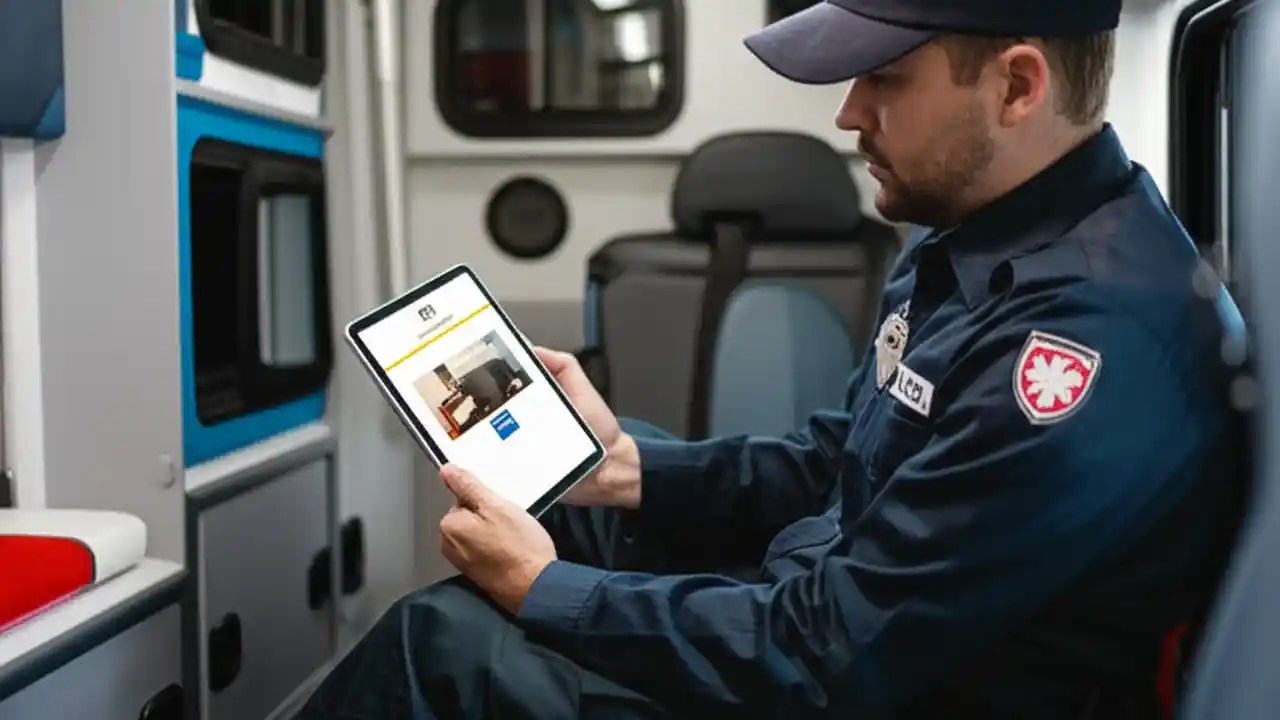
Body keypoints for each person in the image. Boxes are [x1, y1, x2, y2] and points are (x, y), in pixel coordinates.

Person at [298, 0, 1245, 717]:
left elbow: (834, 654)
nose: (848, 114)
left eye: (886, 79)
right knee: (578, 508)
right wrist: (627, 468)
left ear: (1017, 85)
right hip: (844, 617)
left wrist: (545, 594)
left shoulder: (1087, 341)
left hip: (888, 684)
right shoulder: (966, 242)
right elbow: (837, 462)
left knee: (442, 644)